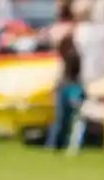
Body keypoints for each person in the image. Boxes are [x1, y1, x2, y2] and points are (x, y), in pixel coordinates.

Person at [44, 0, 80, 148]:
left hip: (59, 73)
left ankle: (54, 142)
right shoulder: (70, 29)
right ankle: (56, 143)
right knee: (64, 114)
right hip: (65, 74)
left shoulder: (56, 29)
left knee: (61, 113)